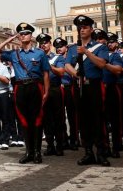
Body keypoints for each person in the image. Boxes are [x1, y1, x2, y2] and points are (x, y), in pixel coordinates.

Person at [0, 23, 50, 164]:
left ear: (31, 36)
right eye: (21, 34)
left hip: (35, 86)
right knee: (24, 120)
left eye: (26, 33)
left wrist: (46, 91)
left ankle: (37, 152)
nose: (23, 36)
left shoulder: (39, 53)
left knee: (37, 119)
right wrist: (9, 40)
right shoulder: (13, 54)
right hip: (20, 87)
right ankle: (29, 152)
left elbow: (46, 74)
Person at [65, 15, 111, 167]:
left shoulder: (100, 47)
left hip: (94, 85)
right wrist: (76, 73)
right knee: (83, 120)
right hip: (79, 85)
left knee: (97, 119)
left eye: (85, 27)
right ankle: (88, 152)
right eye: (79, 27)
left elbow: (102, 64)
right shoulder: (72, 48)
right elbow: (67, 65)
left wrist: (86, 52)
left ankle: (101, 152)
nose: (82, 29)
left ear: (91, 29)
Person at [39, 34, 66, 157]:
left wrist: (48, 65)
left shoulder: (57, 57)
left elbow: (61, 72)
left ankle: (59, 145)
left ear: (50, 44)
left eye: (45, 42)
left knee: (58, 119)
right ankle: (50, 145)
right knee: (46, 119)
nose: (43, 45)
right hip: (43, 89)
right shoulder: (37, 57)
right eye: (41, 43)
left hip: (54, 89)